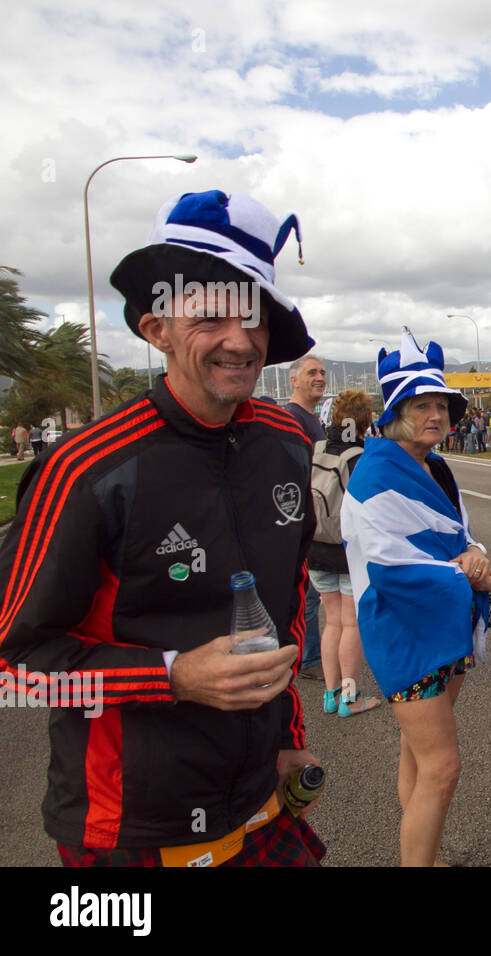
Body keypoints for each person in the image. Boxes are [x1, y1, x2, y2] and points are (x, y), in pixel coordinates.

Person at [0, 188, 323, 866]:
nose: (241, 341)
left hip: (262, 802)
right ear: (157, 331)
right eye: (211, 318)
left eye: (254, 318)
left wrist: (288, 734)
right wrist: (171, 676)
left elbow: (286, 616)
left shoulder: (287, 444)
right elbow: (12, 665)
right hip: (129, 831)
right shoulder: (85, 469)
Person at [342, 330, 491, 864]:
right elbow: (388, 566)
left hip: (444, 625)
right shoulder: (375, 474)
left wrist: (473, 552)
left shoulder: (439, 466)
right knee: (443, 766)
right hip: (404, 630)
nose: (437, 415)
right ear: (395, 411)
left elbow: (458, 533)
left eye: (442, 404)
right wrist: (467, 575)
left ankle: (419, 852)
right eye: (422, 405)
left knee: (419, 755)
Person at [310, 388, 382, 719]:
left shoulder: (317, 449)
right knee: (351, 624)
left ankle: (330, 693)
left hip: (316, 548)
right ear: (366, 421)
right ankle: (349, 697)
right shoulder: (359, 456)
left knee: (331, 622)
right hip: (347, 550)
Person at [286, 353, 326, 679]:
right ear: (294, 380)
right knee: (308, 594)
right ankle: (309, 658)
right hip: (301, 522)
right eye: (312, 372)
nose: (320, 377)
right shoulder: (291, 418)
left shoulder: (313, 420)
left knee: (312, 593)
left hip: (318, 519)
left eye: (322, 372)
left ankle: (308, 654)